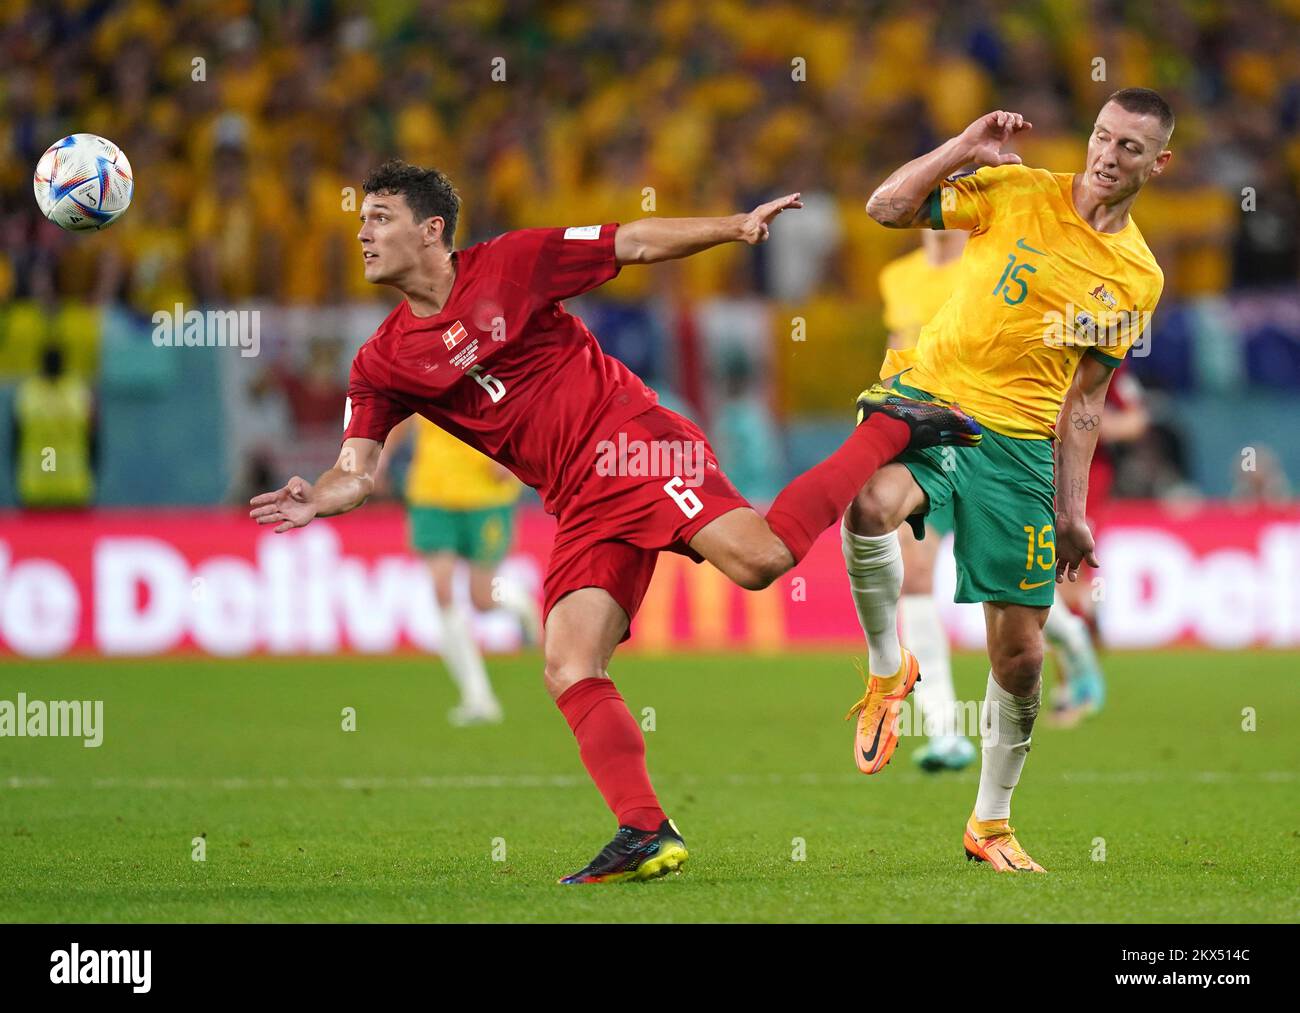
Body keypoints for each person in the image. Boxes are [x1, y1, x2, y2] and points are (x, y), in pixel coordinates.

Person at [250, 159, 982, 884]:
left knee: (759, 561)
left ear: (431, 229)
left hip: (633, 442)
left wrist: (732, 227)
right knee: (566, 660)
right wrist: (319, 496)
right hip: (576, 497)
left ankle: (888, 430)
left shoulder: (510, 262)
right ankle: (643, 829)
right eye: (362, 220)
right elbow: (356, 468)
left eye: (380, 218)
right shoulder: (381, 361)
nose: (363, 233)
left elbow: (629, 242)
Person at [842, 90, 1170, 872]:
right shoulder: (1019, 189)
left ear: (1159, 164)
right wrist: (962, 145)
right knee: (866, 505)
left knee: (1019, 656)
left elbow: (1086, 401)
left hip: (1021, 448)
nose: (1108, 155)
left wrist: (1073, 508)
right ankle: (890, 668)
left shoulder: (1137, 278)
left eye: (1130, 147)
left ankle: (990, 823)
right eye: (1102, 136)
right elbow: (887, 206)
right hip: (933, 404)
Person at [381, 414, 540, 726]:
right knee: (442, 591)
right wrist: (382, 455)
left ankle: (522, 604)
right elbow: (401, 414)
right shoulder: (422, 371)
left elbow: (529, 414)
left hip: (486, 493)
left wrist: (515, 459)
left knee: (482, 598)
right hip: (432, 494)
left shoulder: (493, 371)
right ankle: (478, 697)